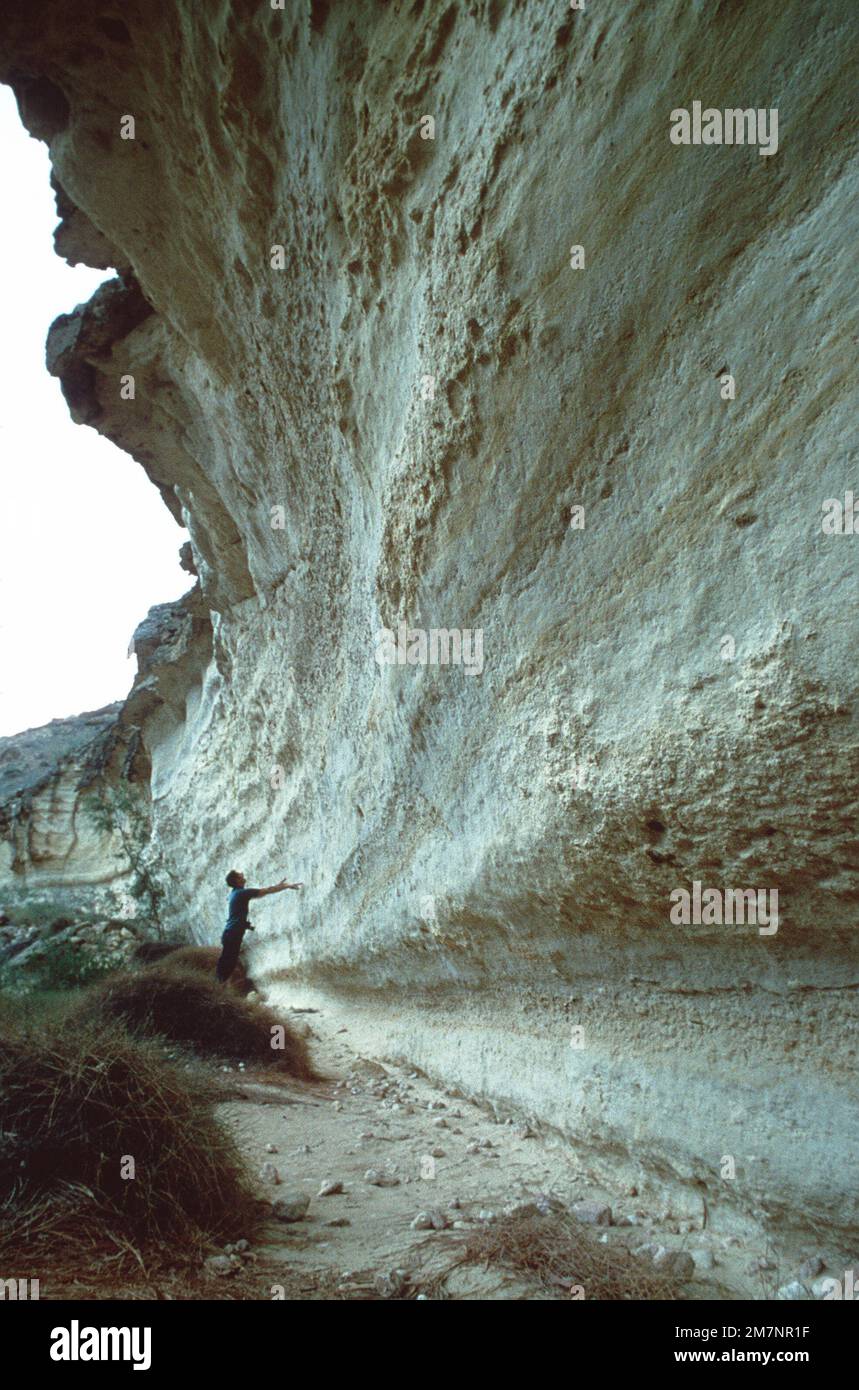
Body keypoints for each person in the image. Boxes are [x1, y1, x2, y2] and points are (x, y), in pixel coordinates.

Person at [215, 869, 303, 983]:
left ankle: (216, 984)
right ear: (237, 880)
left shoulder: (235, 893)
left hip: (230, 933)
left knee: (226, 962)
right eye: (239, 874)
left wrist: (278, 886)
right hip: (232, 934)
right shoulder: (241, 893)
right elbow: (266, 891)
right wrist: (286, 886)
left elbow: (263, 892)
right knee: (229, 963)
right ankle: (216, 985)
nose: (242, 874)